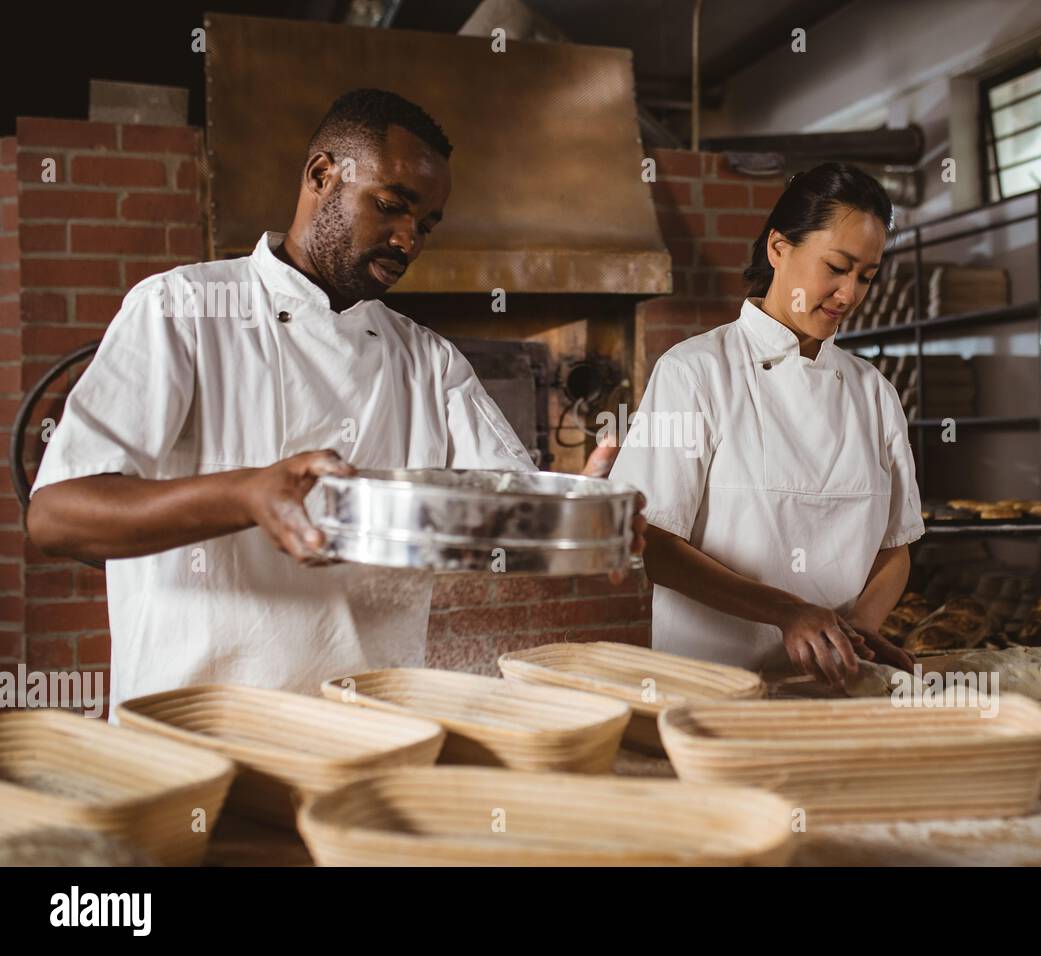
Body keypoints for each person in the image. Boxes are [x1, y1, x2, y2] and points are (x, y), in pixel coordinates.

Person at [25, 89, 643, 719]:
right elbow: (58, 516)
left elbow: (506, 509)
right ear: (323, 175)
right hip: (190, 732)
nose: (409, 242)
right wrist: (244, 495)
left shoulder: (426, 360)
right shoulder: (181, 309)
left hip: (367, 733)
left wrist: (584, 512)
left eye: (426, 224)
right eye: (392, 207)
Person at [609, 163, 921, 691]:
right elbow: (654, 544)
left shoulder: (874, 392)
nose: (849, 294)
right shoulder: (695, 371)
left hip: (831, 686)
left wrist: (854, 635)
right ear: (779, 248)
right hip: (709, 688)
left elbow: (896, 547)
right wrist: (788, 612)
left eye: (866, 276)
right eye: (836, 267)